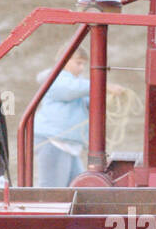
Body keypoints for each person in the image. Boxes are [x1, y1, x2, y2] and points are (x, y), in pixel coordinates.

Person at [34, 49, 123, 186]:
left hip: (68, 143)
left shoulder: (77, 84)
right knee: (52, 189)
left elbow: (84, 99)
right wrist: (104, 85)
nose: (81, 68)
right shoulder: (55, 79)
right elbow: (70, 89)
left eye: (83, 65)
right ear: (65, 61)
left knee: (77, 185)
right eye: (78, 63)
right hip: (52, 140)